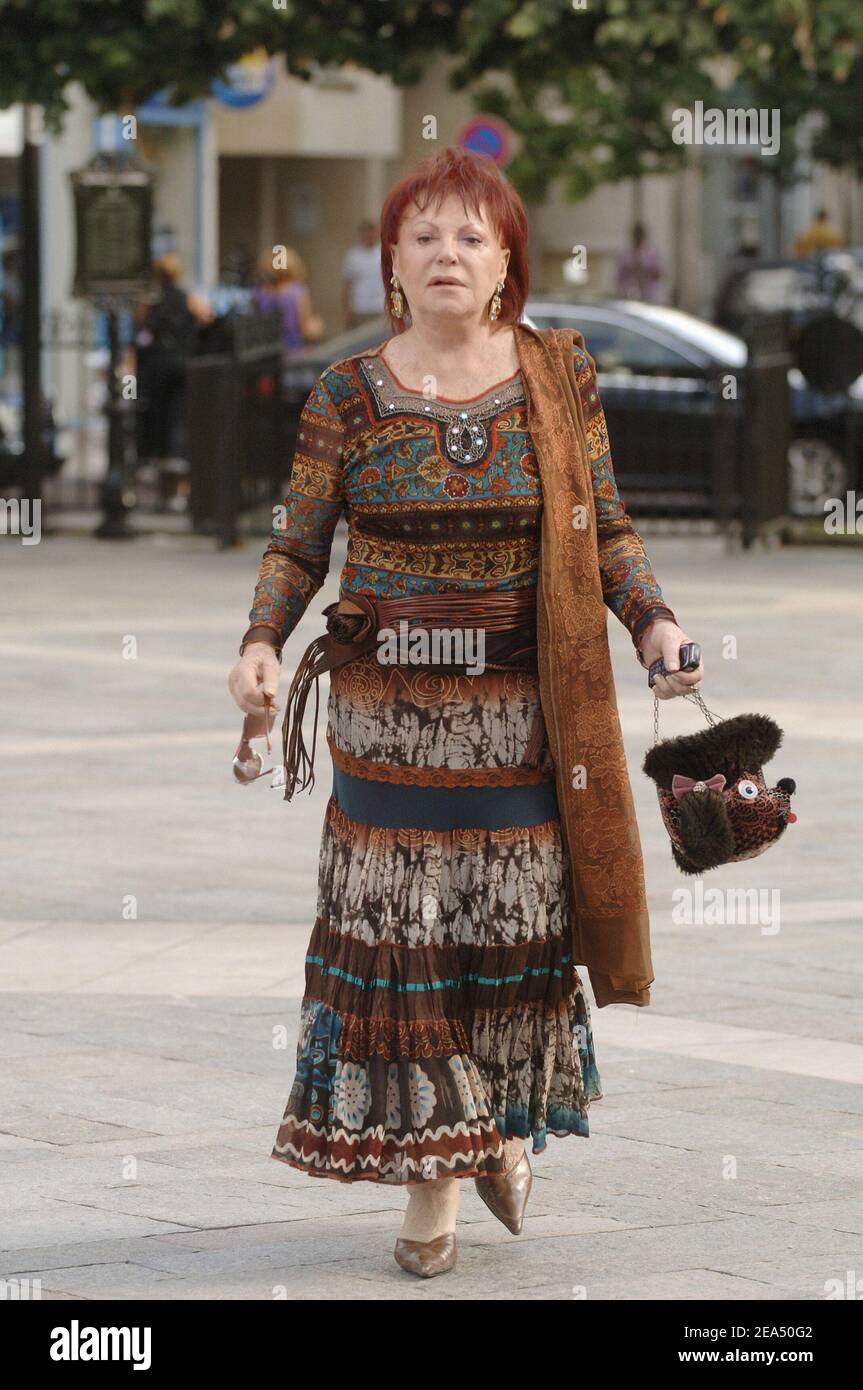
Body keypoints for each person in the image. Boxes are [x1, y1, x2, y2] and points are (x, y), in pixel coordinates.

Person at [228, 146, 703, 1279]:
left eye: (471, 236)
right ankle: (435, 1187)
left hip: (526, 727)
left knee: (503, 951)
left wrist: (652, 626)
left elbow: (608, 528)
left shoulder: (559, 372)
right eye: (425, 234)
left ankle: (481, 1132)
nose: (448, 253)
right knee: (404, 954)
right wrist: (257, 640)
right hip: (385, 730)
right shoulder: (346, 392)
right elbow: (298, 543)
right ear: (390, 260)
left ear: (505, 266)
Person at [134, 253, 212, 505]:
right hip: (180, 365)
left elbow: (139, 329)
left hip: (156, 368)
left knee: (158, 422)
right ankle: (177, 485)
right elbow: (207, 317)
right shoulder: (187, 297)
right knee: (178, 421)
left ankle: (164, 485)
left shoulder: (150, 300)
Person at [251, 248, 324, 352]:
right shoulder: (298, 291)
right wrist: (317, 327)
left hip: (264, 351)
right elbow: (304, 328)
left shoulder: (258, 292)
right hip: (292, 350)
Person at [341, 218, 386, 328]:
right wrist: (346, 310)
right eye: (366, 232)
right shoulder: (352, 256)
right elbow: (347, 284)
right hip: (360, 308)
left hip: (380, 307)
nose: (369, 235)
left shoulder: (383, 253)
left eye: (372, 232)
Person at [615, 222, 665, 302]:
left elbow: (659, 274)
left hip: (648, 295)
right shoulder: (626, 254)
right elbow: (619, 276)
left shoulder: (651, 254)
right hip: (628, 294)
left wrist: (646, 272)